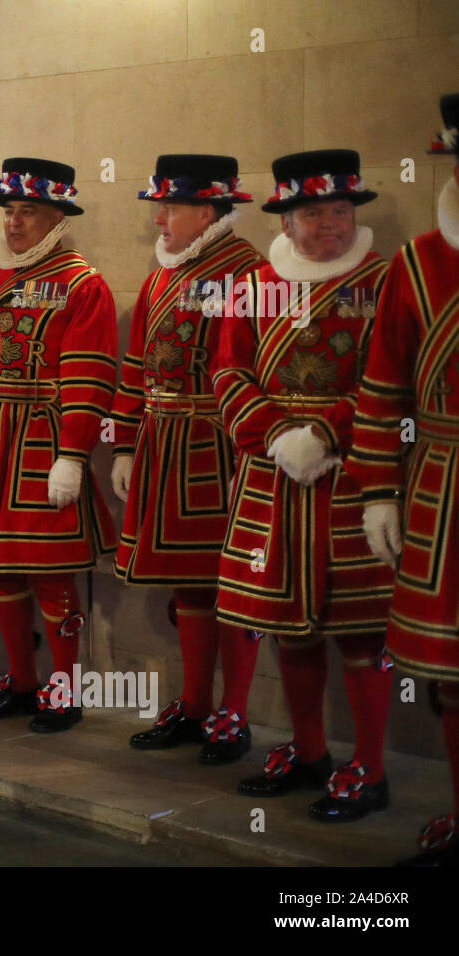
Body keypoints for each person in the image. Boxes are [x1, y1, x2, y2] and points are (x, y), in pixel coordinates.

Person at [215, 150, 394, 820]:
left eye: (341, 210)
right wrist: (273, 435)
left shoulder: (386, 281)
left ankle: (371, 768)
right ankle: (311, 749)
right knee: (290, 627)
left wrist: (325, 436)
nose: (330, 225)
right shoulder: (254, 284)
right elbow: (228, 372)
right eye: (314, 212)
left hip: (353, 479)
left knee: (362, 632)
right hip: (273, 482)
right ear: (287, 220)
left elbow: (389, 378)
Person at [110, 155, 266, 763]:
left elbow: (248, 368)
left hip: (220, 449)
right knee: (189, 584)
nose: (160, 220)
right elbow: (134, 366)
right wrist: (124, 442)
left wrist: (250, 454)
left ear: (206, 211)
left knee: (234, 585)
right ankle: (198, 704)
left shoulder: (247, 270)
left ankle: (237, 713)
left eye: (169, 208)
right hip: (163, 444)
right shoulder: (159, 277)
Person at [0, 157, 118, 731]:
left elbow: (90, 373)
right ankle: (22, 682)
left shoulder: (84, 283)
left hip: (43, 441)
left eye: (29, 211)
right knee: (0, 570)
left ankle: (66, 687)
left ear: (57, 216)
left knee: (51, 572)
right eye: (9, 211)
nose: (14, 222)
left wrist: (74, 454)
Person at [348, 92, 459, 862]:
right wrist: (380, 489)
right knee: (451, 670)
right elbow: (383, 386)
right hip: (444, 488)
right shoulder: (420, 262)